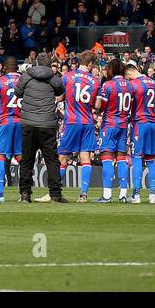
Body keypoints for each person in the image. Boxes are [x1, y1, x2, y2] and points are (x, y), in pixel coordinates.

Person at [14, 55, 66, 203]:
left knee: (27, 160)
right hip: (47, 124)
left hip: (29, 123)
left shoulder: (26, 76)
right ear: (50, 65)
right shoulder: (54, 78)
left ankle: (25, 194)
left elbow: (17, 93)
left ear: (36, 63)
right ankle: (55, 194)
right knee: (51, 160)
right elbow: (60, 91)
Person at [58, 50, 100, 203]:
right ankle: (83, 194)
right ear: (90, 64)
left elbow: (60, 97)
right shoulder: (96, 81)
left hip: (71, 121)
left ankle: (54, 193)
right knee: (85, 158)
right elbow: (97, 105)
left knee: (62, 158)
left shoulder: (67, 76)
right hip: (87, 122)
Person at [94, 58, 133, 203]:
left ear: (112, 70)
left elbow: (102, 107)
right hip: (124, 124)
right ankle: (123, 195)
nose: (106, 72)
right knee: (122, 158)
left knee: (107, 157)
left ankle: (107, 195)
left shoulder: (108, 85)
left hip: (110, 124)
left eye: (107, 69)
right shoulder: (129, 85)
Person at [0, 62, 23, 203]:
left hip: (5, 122)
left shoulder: (0, 81)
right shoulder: (25, 80)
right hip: (21, 122)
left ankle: (0, 195)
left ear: (6, 68)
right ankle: (25, 192)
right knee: (21, 157)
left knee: (0, 156)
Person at [125, 60, 155, 203]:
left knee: (137, 157)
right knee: (151, 160)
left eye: (127, 77)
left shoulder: (133, 84)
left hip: (140, 123)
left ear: (129, 73)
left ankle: (136, 195)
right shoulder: (154, 83)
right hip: (153, 123)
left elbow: (130, 104)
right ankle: (152, 195)